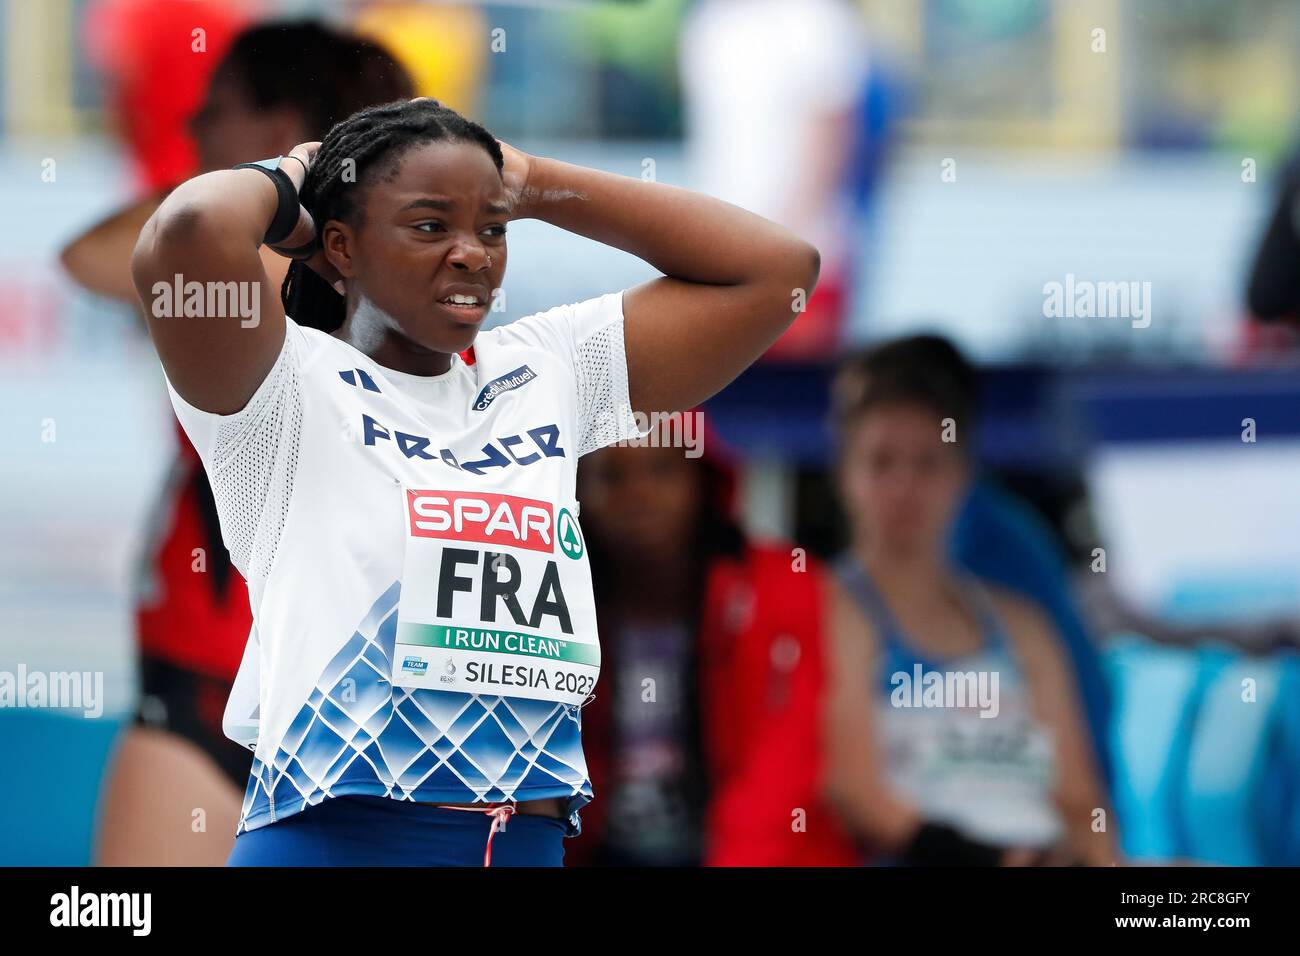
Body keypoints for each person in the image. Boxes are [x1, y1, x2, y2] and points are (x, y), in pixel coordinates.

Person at [128, 97, 820, 866]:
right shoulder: (282, 387)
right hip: (338, 841)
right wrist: (294, 179)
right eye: (430, 225)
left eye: (490, 229)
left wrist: (533, 184)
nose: (471, 253)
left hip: (524, 840)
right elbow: (186, 231)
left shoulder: (548, 369)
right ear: (342, 246)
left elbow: (778, 271)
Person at [65, 21, 415, 867]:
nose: (190, 135)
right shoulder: (392, 273)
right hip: (246, 696)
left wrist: (268, 182)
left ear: (276, 127)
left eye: (211, 113)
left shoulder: (316, 276)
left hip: (289, 699)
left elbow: (105, 257)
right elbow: (94, 258)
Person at [822, 335, 1118, 866]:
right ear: (844, 476)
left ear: (962, 475)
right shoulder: (831, 614)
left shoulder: (1023, 626)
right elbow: (859, 797)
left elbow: (1080, 802)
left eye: (928, 463)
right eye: (881, 462)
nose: (904, 486)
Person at [570, 417, 858, 866]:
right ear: (576, 492)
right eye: (612, 476)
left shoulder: (781, 586)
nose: (638, 497)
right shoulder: (554, 600)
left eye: (661, 470)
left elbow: (784, 766)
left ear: (702, 479)